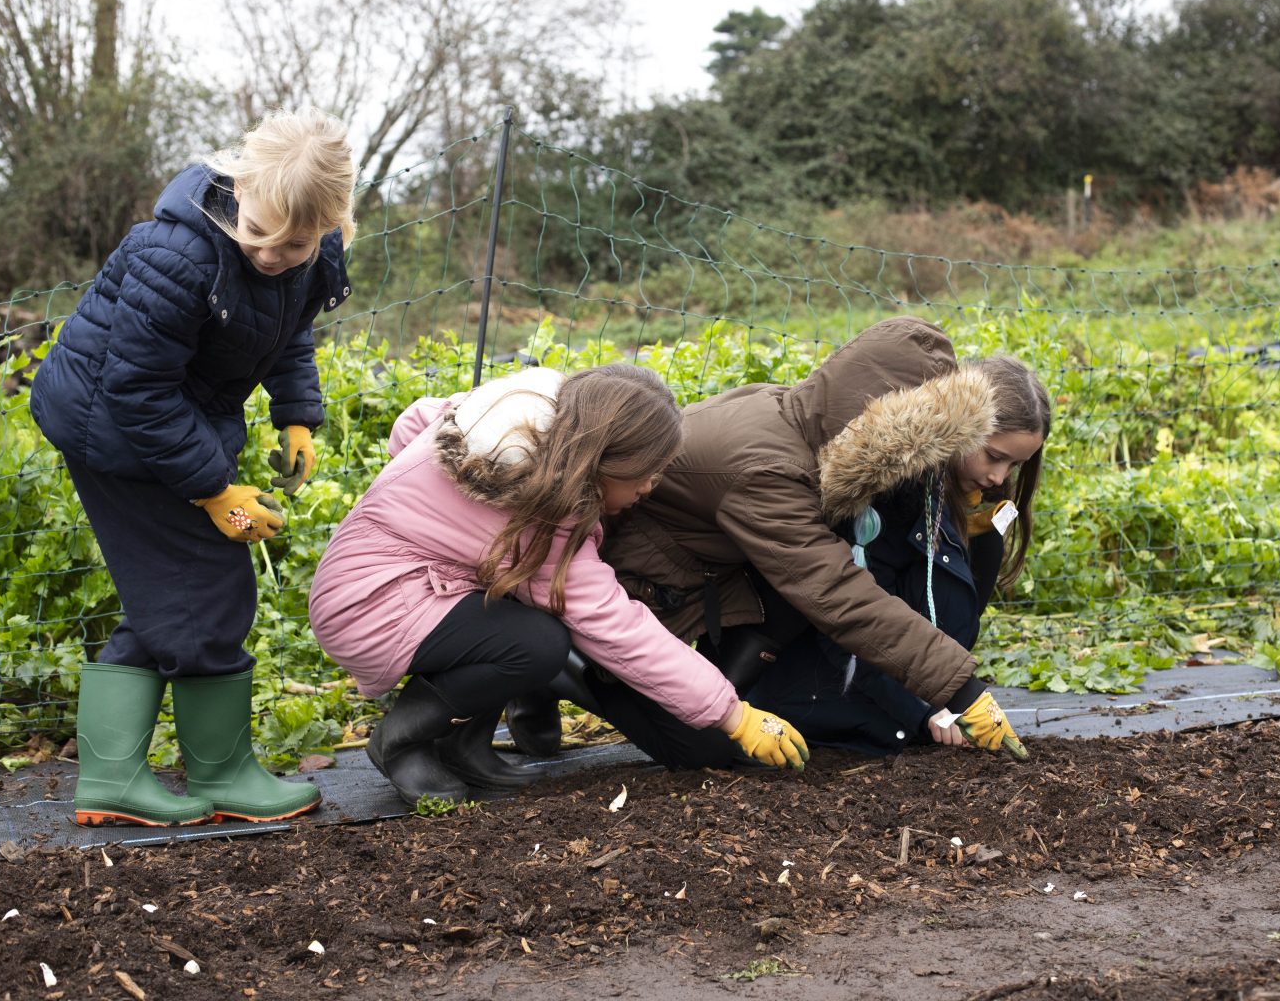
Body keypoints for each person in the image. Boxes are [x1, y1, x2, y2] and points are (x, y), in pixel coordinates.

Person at [30, 107, 356, 827]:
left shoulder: (311, 255)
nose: (272, 256)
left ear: (331, 226)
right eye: (260, 235)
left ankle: (112, 780)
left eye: (295, 245)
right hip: (110, 426)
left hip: (174, 419)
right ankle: (224, 774)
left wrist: (296, 414)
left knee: (169, 594)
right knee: (208, 584)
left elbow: (288, 334)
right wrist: (214, 488)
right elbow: (136, 392)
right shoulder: (174, 255)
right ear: (241, 190)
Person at [509, 317, 1033, 762]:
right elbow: (834, 591)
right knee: (702, 750)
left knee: (732, 708)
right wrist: (960, 689)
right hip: (633, 590)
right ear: (884, 418)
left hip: (705, 582)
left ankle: (637, 680)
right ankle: (567, 668)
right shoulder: (768, 468)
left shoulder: (794, 418)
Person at [307, 364, 809, 807]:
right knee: (537, 644)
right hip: (369, 604)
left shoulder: (499, 427)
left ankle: (462, 745)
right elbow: (616, 627)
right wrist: (733, 716)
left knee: (521, 612)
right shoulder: (537, 514)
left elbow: (414, 422)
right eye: (645, 474)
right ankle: (400, 744)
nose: (650, 488)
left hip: (390, 579)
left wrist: (423, 516)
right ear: (605, 461)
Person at [744, 354, 1048, 756]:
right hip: (830, 692)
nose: (999, 477)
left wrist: (946, 698)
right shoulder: (890, 502)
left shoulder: (974, 509)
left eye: (1015, 464)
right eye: (994, 456)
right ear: (964, 426)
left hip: (911, 692)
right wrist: (927, 708)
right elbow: (851, 625)